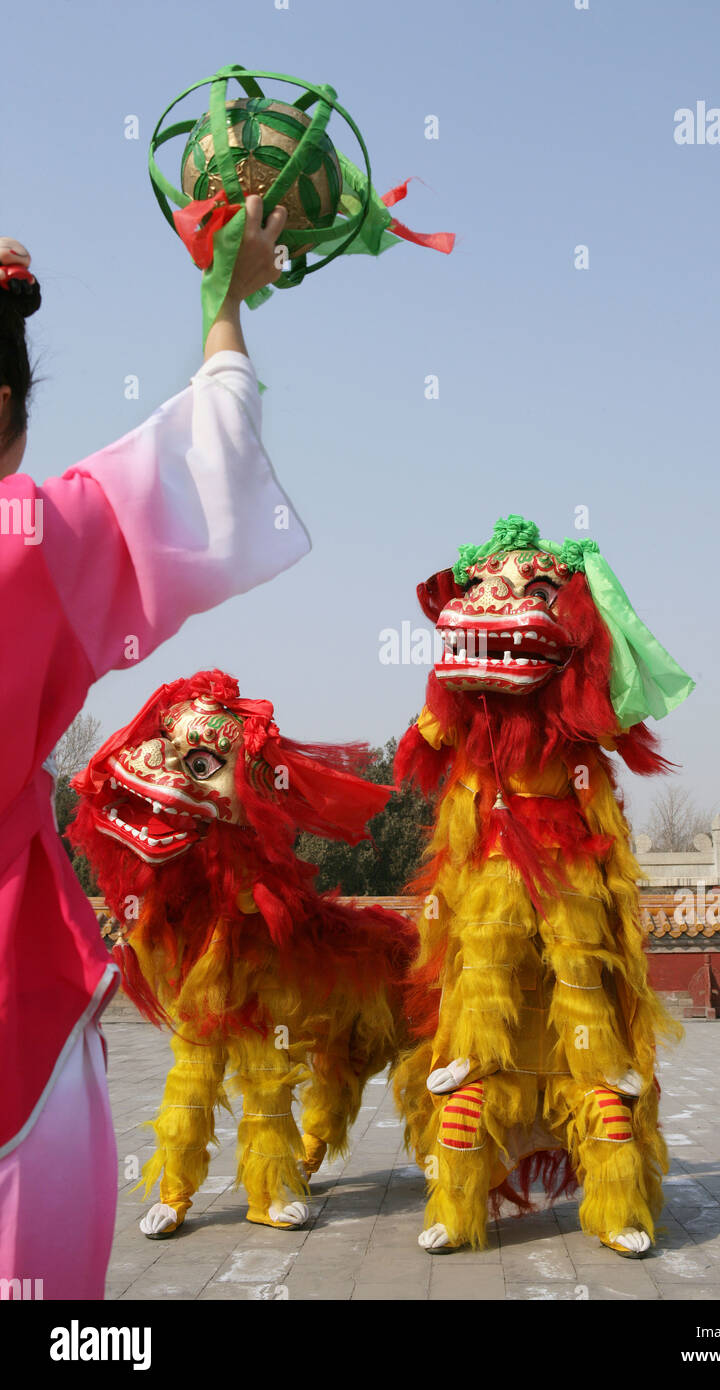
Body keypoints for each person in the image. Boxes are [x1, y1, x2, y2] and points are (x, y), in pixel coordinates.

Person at [0, 197, 315, 1299]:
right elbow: (211, 452)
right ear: (9, 410)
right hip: (14, 1012)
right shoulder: (28, 544)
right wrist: (224, 297)